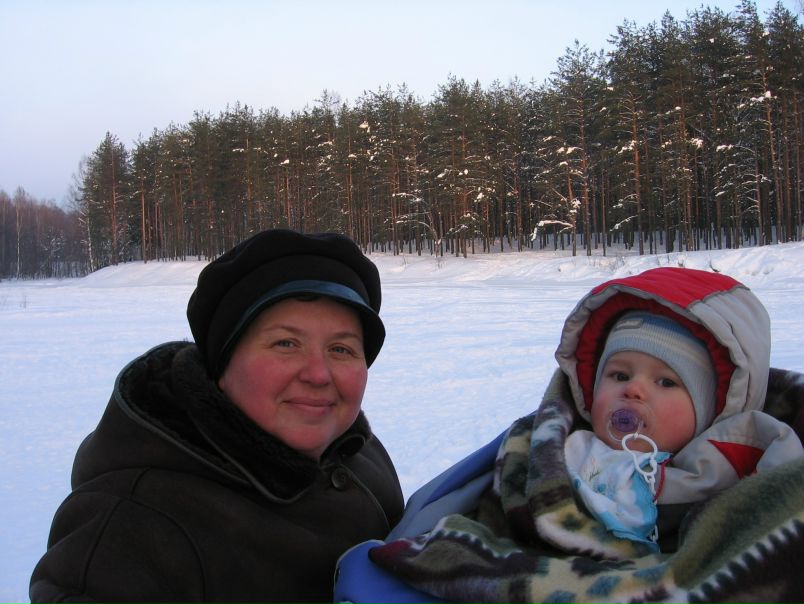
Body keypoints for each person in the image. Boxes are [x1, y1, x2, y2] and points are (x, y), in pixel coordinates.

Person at [334, 266, 804, 604]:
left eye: (666, 382)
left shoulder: (745, 459)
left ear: (715, 410)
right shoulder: (556, 453)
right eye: (619, 375)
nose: (634, 391)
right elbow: (499, 520)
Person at [30, 229, 404, 603]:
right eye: (286, 343)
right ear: (222, 365)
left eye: (341, 349)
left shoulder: (358, 451)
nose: (318, 374)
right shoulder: (131, 527)